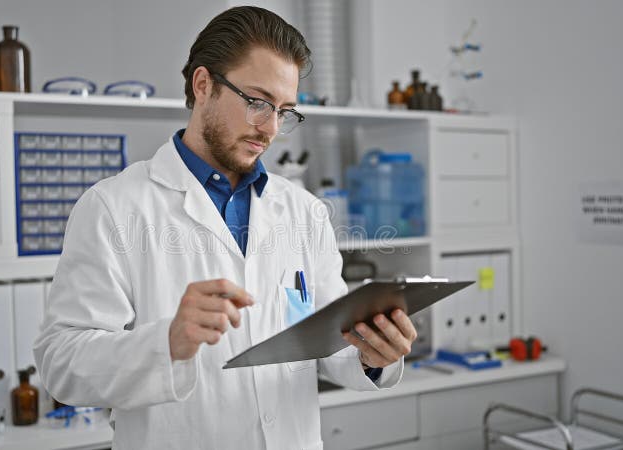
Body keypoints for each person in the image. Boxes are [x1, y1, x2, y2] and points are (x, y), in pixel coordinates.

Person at [34, 6, 417, 450]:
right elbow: (60, 365)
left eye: (284, 110)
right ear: (203, 85)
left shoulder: (304, 212)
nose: (270, 127)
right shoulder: (113, 207)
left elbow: (330, 341)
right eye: (256, 102)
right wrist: (167, 342)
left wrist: (372, 354)